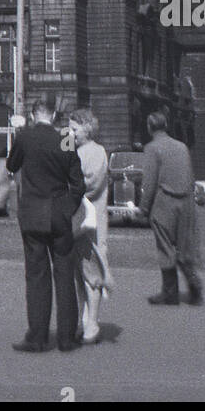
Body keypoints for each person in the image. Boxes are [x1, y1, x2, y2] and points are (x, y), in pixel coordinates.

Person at [5, 94, 87, 352]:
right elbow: (78, 184)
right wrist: (68, 209)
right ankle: (66, 338)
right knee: (64, 274)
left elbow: (11, 165)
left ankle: (38, 337)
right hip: (59, 214)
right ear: (53, 115)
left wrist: (17, 135)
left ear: (32, 115)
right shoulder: (65, 139)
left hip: (32, 214)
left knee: (37, 275)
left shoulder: (25, 137)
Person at [140, 111, 203, 307]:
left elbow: (149, 182)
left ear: (150, 128)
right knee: (185, 247)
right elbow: (190, 176)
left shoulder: (151, 148)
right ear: (166, 126)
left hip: (164, 202)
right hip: (186, 203)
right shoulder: (182, 146)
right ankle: (194, 287)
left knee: (165, 247)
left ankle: (170, 293)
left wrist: (144, 208)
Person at [69, 108, 113, 344]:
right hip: (79, 221)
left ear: (87, 129)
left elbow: (91, 184)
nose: (71, 133)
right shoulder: (79, 151)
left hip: (90, 222)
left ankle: (92, 323)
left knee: (91, 274)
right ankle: (84, 320)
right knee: (80, 274)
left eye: (74, 129)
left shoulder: (95, 151)